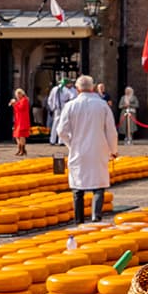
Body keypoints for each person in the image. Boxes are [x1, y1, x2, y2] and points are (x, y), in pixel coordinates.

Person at [56, 73, 118, 223]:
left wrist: (71, 144)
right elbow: (111, 130)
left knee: (78, 187)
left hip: (78, 151)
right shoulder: (102, 105)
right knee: (98, 185)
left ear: (77, 89)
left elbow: (61, 131)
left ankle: (79, 220)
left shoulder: (71, 106)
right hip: (99, 149)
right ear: (93, 88)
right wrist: (113, 150)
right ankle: (96, 216)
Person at [45, 77, 76, 146]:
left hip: (57, 108)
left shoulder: (55, 89)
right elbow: (73, 97)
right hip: (63, 108)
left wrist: (52, 107)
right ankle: (60, 141)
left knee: (55, 124)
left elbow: (50, 99)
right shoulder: (67, 90)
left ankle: (52, 140)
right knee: (63, 123)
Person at [10, 87, 32, 157]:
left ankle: (22, 150)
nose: (16, 96)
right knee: (17, 135)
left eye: (17, 94)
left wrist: (14, 104)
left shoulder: (24, 100)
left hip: (23, 120)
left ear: (20, 94)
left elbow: (21, 108)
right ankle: (21, 149)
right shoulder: (20, 101)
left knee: (21, 135)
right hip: (18, 120)